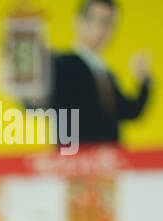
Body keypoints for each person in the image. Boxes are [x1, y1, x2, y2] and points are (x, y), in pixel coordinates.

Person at [44, 0, 153, 148]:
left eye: (109, 24)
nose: (103, 30)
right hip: (77, 161)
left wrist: (144, 81)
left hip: (108, 162)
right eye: (98, 21)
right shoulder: (62, 64)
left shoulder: (106, 75)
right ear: (79, 22)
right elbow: (40, 101)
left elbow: (129, 111)